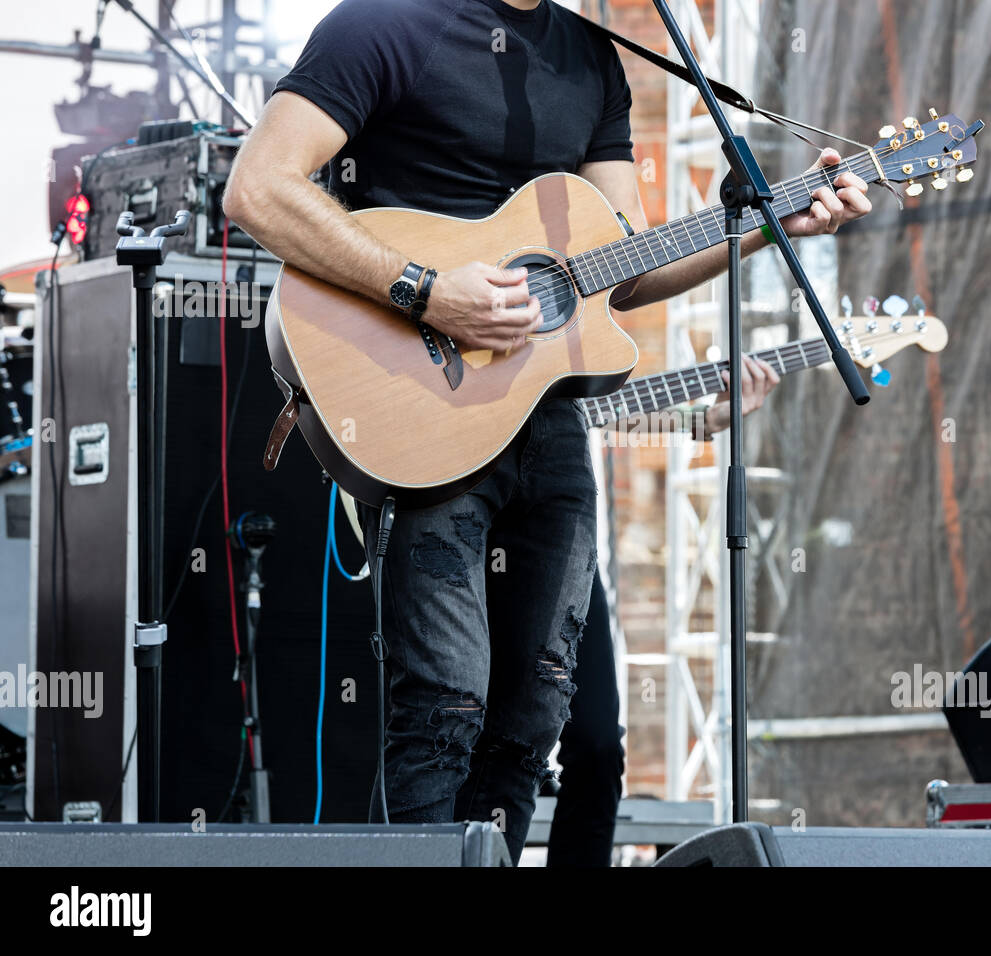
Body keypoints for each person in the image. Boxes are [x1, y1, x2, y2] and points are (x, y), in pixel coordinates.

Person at [224, 0, 871, 864]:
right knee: (445, 706)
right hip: (425, 410)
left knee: (538, 710)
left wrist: (764, 225)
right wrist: (425, 288)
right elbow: (258, 187)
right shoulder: (382, 23)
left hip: (549, 420)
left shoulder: (594, 58)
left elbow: (625, 271)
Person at [548, 355, 780, 867]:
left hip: (557, 542)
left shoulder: (562, 319)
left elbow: (596, 408)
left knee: (598, 745)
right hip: (459, 528)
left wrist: (704, 420)